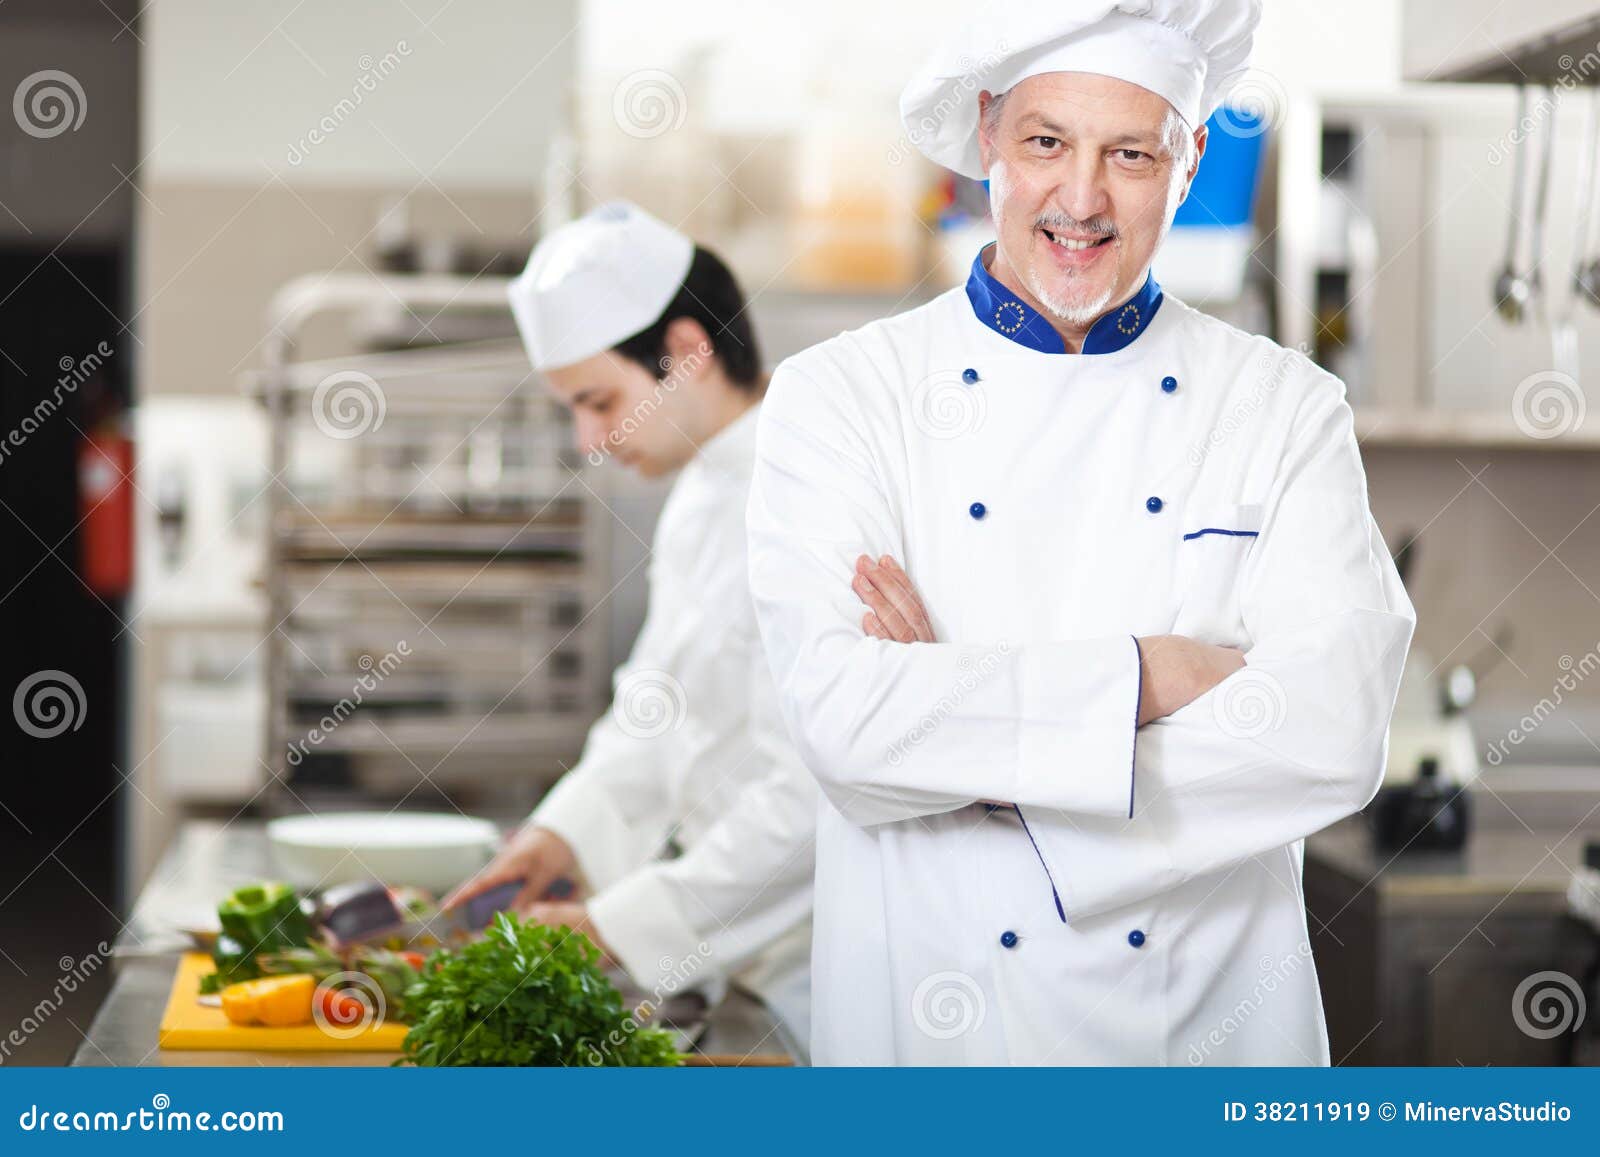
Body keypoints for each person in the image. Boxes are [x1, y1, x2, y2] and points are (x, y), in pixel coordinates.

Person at [744, 1, 1415, 1065]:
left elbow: (1332, 731)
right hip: (933, 1029)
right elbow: (843, 727)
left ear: (1189, 162)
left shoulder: (1283, 407)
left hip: (1205, 1038)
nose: (1081, 198)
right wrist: (1152, 675)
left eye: (1132, 154)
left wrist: (964, 720)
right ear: (986, 143)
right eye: (1045, 142)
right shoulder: (840, 397)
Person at [447, 200, 816, 1047]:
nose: (589, 441)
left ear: (687, 353)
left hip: (813, 976)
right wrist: (559, 833)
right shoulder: (700, 495)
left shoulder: (813, 494)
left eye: (599, 400)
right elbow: (654, 712)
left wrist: (616, 924)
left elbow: (814, 793)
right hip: (733, 965)